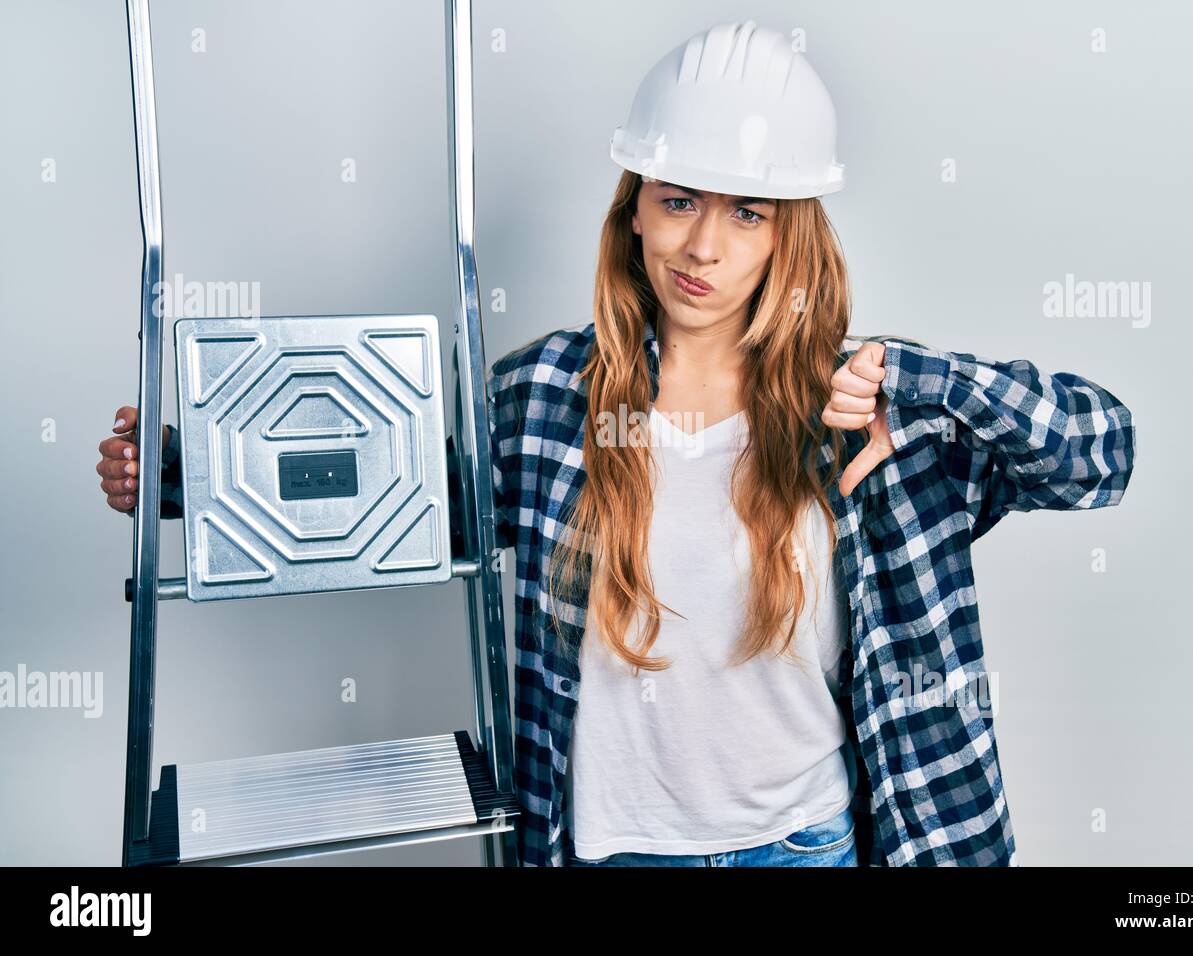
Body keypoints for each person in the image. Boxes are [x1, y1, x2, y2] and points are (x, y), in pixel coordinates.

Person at [95, 20, 1136, 867]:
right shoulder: (548, 395)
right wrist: (178, 476)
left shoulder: (861, 408)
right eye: (678, 200)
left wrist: (924, 381)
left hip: (811, 842)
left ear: (792, 233)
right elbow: (394, 499)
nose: (703, 245)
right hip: (611, 849)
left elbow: (1100, 452)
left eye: (747, 212)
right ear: (634, 206)